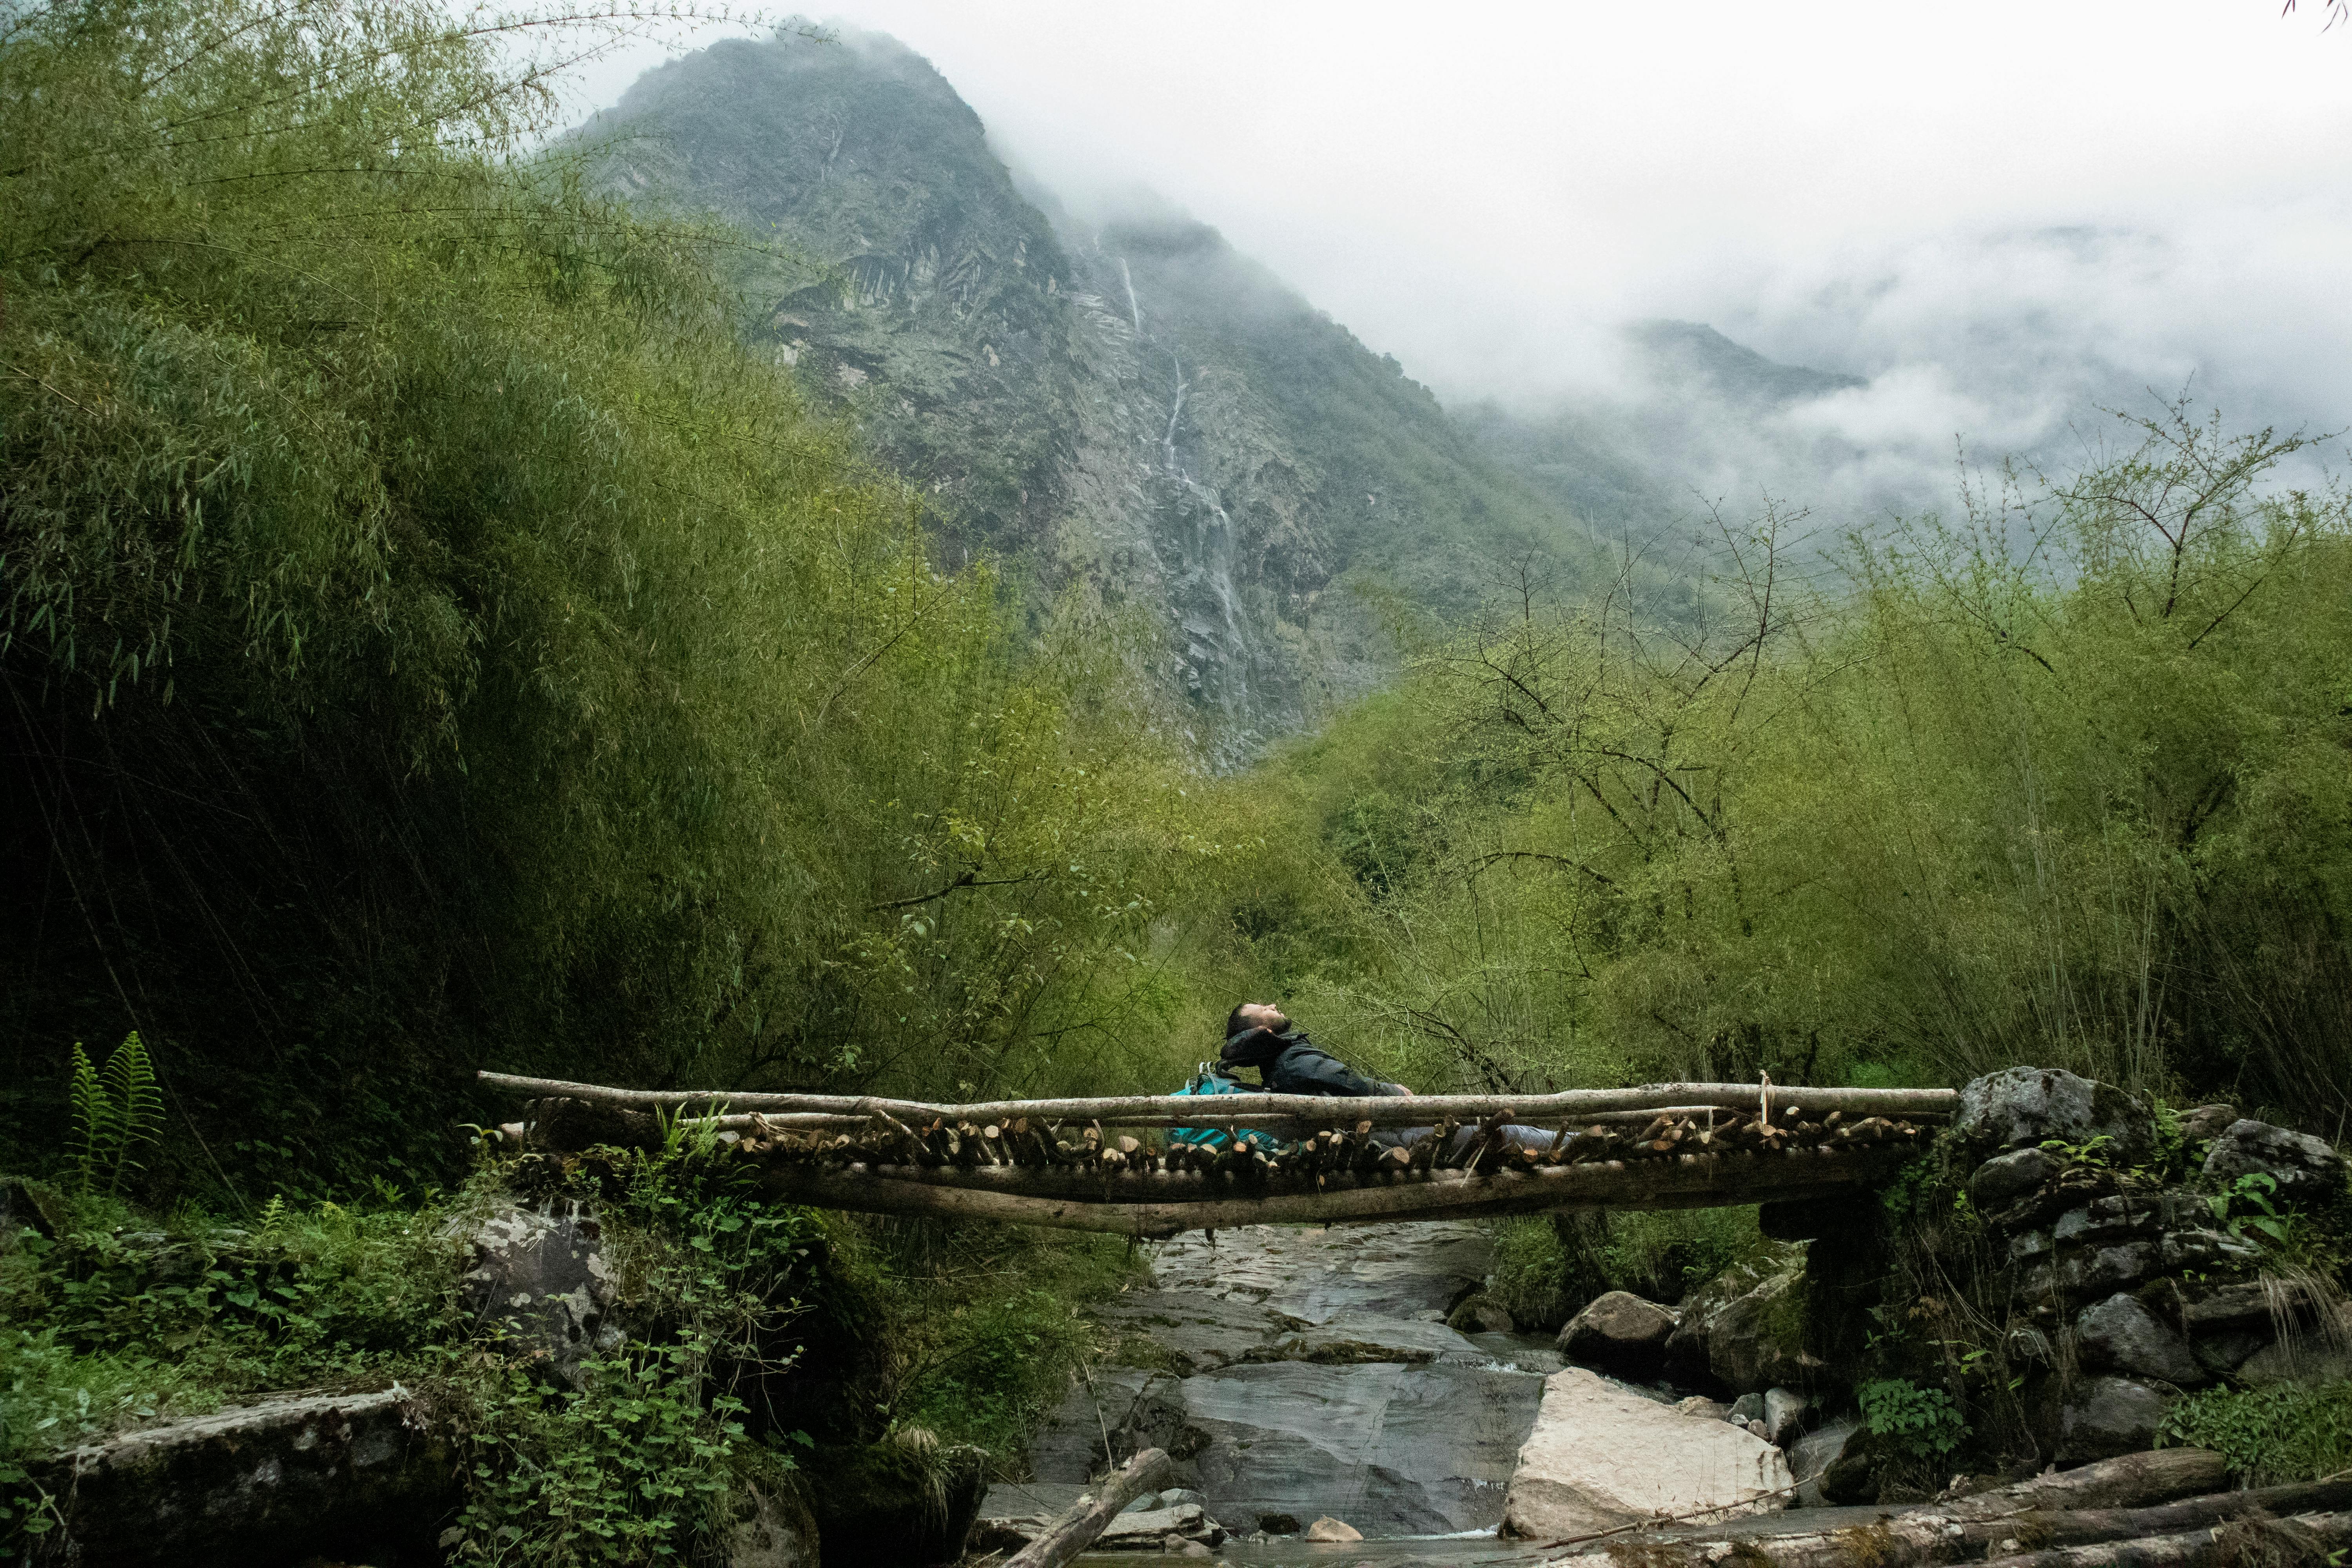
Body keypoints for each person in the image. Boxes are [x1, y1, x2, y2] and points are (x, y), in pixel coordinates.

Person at [1215, 1001, 1555, 1153]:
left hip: (1384, 1134)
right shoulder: (1293, 1063)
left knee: (1503, 1130)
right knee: (1505, 1131)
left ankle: (1563, 1136)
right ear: (1262, 1028)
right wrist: (1391, 1091)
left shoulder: (1279, 1067)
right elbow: (1350, 1083)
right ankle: (1566, 1140)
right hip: (1396, 1136)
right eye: (1264, 1007)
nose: (1273, 1005)